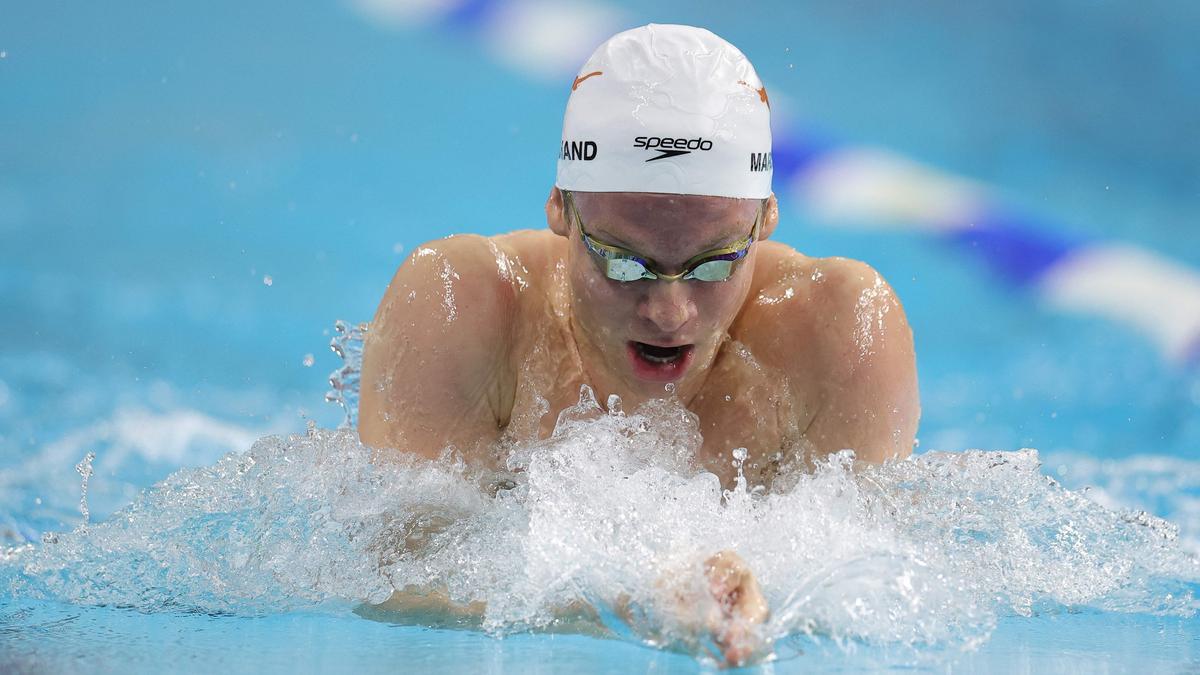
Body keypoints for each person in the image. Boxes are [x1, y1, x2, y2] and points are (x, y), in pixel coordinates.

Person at [358, 23, 919, 665]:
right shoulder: (465, 303)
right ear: (561, 210)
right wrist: (622, 601)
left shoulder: (839, 327)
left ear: (766, 218)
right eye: (625, 263)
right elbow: (394, 581)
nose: (670, 312)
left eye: (714, 264)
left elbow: (873, 582)